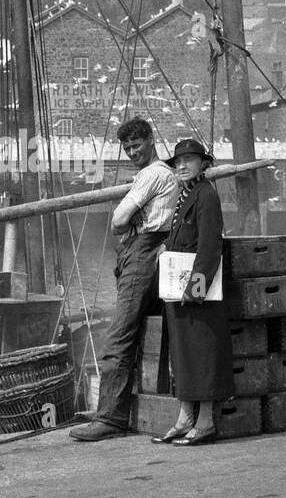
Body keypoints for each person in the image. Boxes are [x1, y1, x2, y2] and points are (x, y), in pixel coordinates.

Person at [70, 118, 179, 441]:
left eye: (137, 145)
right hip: (156, 251)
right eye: (128, 147)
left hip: (142, 252)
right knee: (147, 330)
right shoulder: (167, 174)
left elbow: (118, 221)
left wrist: (127, 220)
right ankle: (137, 408)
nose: (133, 152)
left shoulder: (151, 174)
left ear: (150, 140)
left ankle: (110, 418)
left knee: (118, 338)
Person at [151, 139, 233, 446]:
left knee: (201, 356)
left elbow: (210, 247)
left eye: (189, 160)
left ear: (204, 164)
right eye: (178, 161)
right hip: (179, 290)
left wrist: (195, 291)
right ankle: (185, 419)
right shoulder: (187, 195)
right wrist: (165, 248)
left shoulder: (206, 195)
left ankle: (206, 421)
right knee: (183, 357)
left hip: (197, 295)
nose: (182, 165)